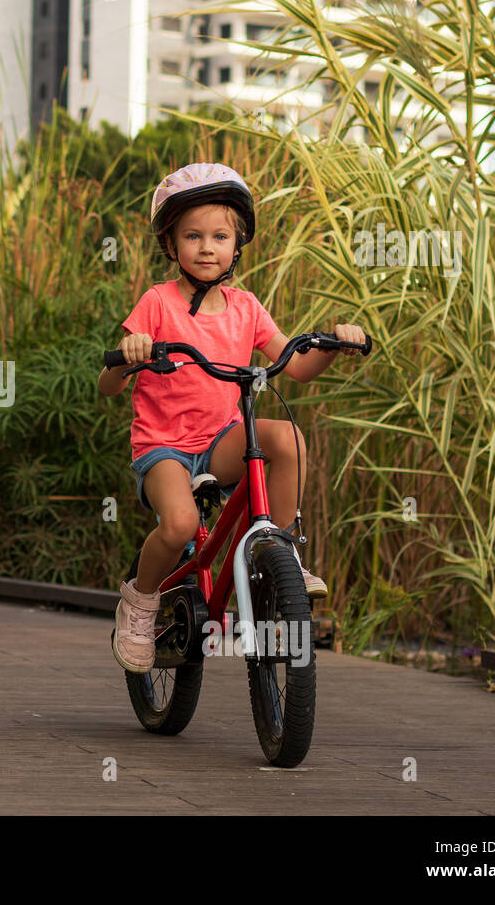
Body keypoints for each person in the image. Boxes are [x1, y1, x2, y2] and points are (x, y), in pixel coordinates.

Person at [98, 162, 367, 673]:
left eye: (220, 236)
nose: (206, 247)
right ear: (171, 244)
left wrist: (334, 344)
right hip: (164, 448)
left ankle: (283, 551)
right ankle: (140, 601)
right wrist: (129, 355)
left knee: (284, 435)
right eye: (192, 235)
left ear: (237, 243)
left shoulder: (246, 307)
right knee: (177, 524)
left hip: (219, 438)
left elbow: (299, 366)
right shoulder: (157, 302)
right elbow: (108, 383)